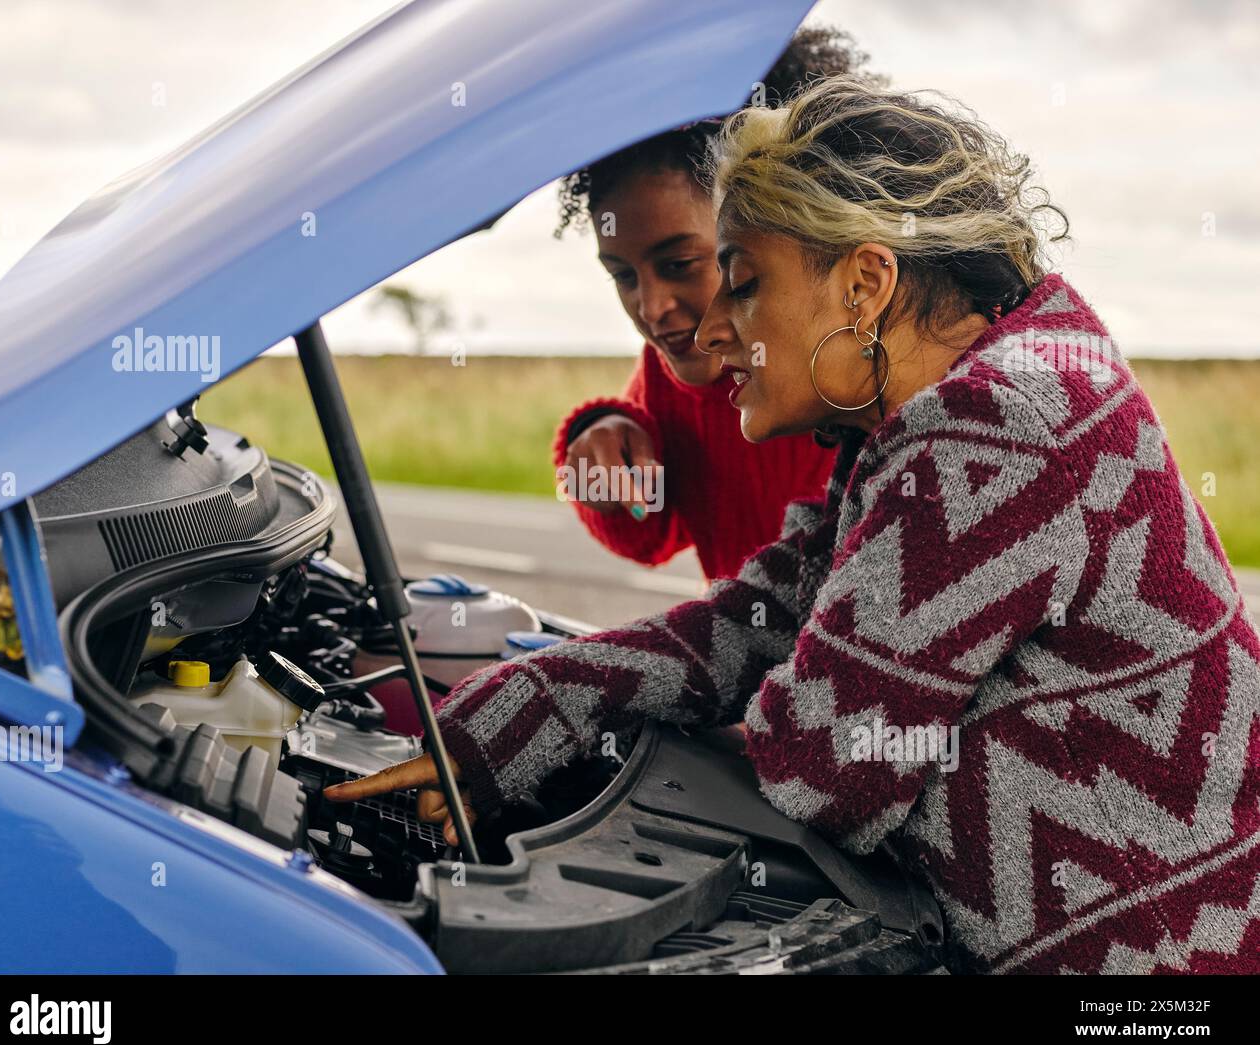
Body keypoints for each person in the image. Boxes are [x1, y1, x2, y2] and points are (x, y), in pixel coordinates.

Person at [329, 77, 1260, 974]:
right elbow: (760, 618)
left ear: (863, 284)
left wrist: (607, 736)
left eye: (744, 286)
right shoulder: (978, 388)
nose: (715, 329)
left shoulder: (993, 430)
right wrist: (527, 710)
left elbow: (824, 765)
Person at [551, 28, 873, 581]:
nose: (651, 308)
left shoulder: (880, 366)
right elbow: (647, 531)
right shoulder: (668, 378)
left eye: (681, 264)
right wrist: (604, 442)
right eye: (622, 275)